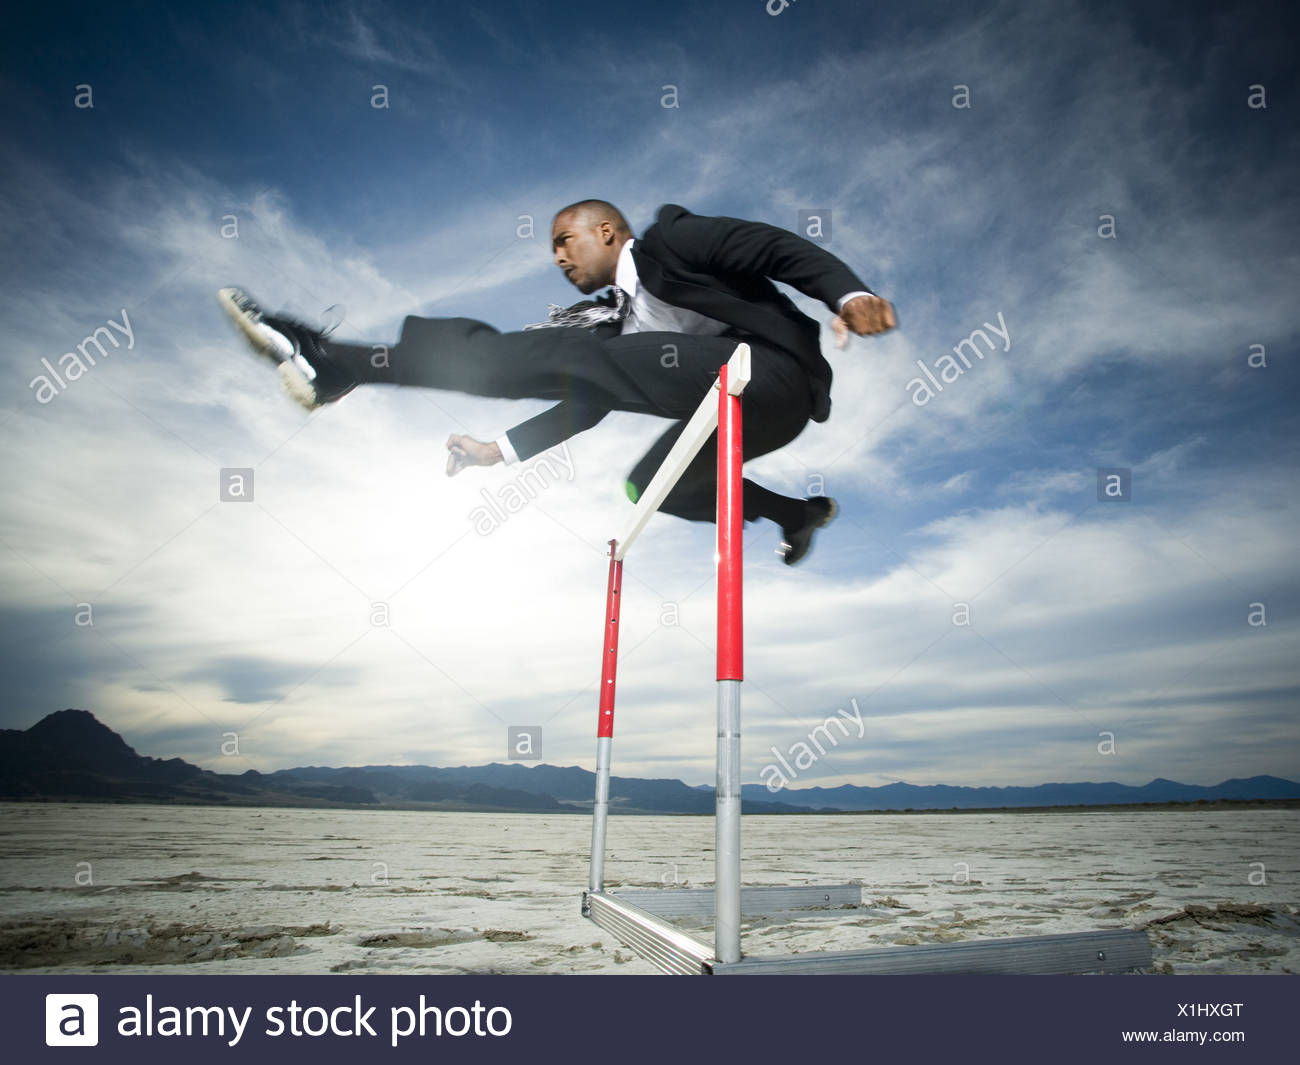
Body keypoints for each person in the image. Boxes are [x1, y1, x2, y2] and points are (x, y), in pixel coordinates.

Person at [218, 200, 895, 563]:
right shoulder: (613, 325)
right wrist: (496, 452)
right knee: (648, 484)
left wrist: (846, 294)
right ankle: (796, 513)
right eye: (550, 251)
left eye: (565, 241)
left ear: (607, 231)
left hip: (774, 376)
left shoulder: (674, 242)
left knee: (566, 354)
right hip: (724, 405)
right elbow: (588, 403)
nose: (558, 257)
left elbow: (773, 246)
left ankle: (338, 361)